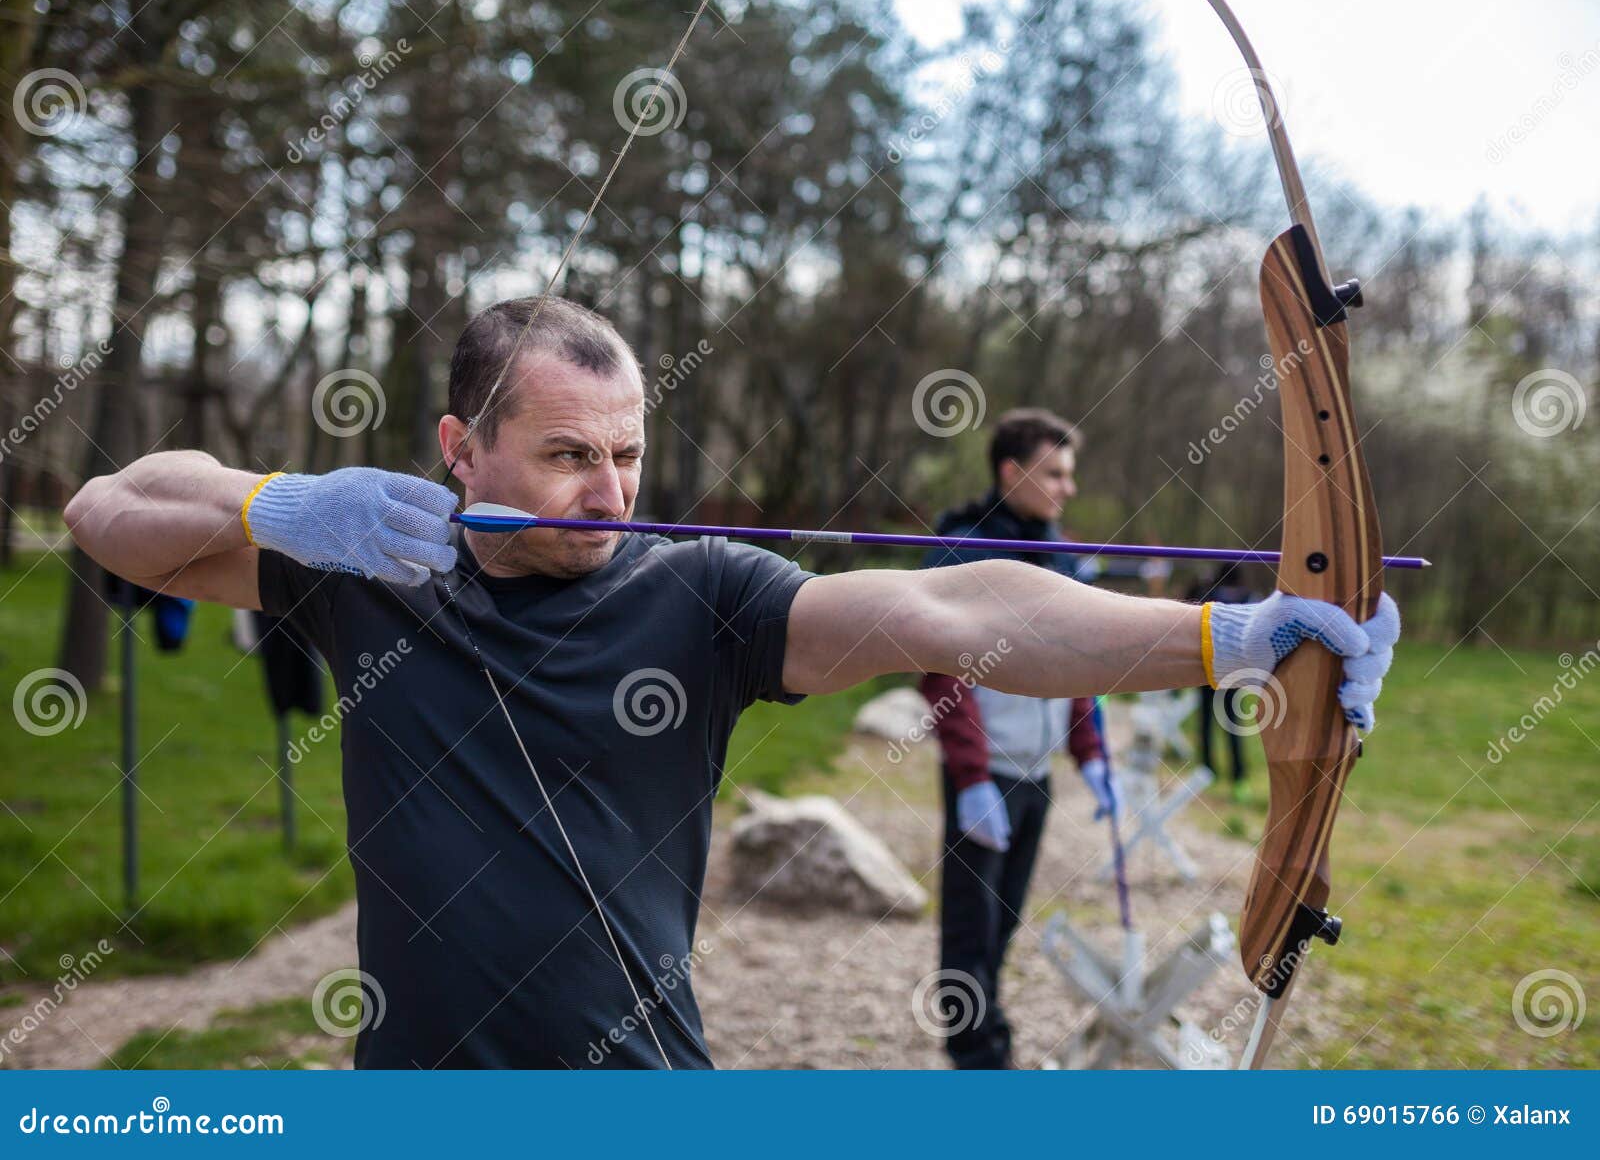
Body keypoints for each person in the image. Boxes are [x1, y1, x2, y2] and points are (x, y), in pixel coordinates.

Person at [64, 297, 1399, 1069]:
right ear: (462, 451)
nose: (612, 491)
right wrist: (281, 501)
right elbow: (107, 506)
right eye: (568, 453)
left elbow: (951, 605)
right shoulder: (371, 563)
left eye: (630, 451)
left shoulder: (698, 593)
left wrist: (1232, 643)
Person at [918, 409, 1117, 1069]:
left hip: (1037, 777)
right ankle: (980, 1060)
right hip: (987, 778)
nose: (1068, 487)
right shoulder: (964, 550)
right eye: (1054, 472)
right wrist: (972, 778)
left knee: (1001, 932)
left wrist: (1090, 755)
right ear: (1012, 471)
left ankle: (987, 1045)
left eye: (1071, 473)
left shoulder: (1059, 552)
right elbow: (941, 674)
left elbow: (1080, 661)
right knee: (971, 936)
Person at [1187, 563, 1255, 797]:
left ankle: (1207, 771)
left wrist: (1200, 585)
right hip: (1234, 671)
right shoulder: (1249, 598)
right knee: (1232, 725)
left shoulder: (1209, 595)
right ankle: (1237, 778)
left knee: (1207, 723)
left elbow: (1188, 606)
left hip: (1208, 670)